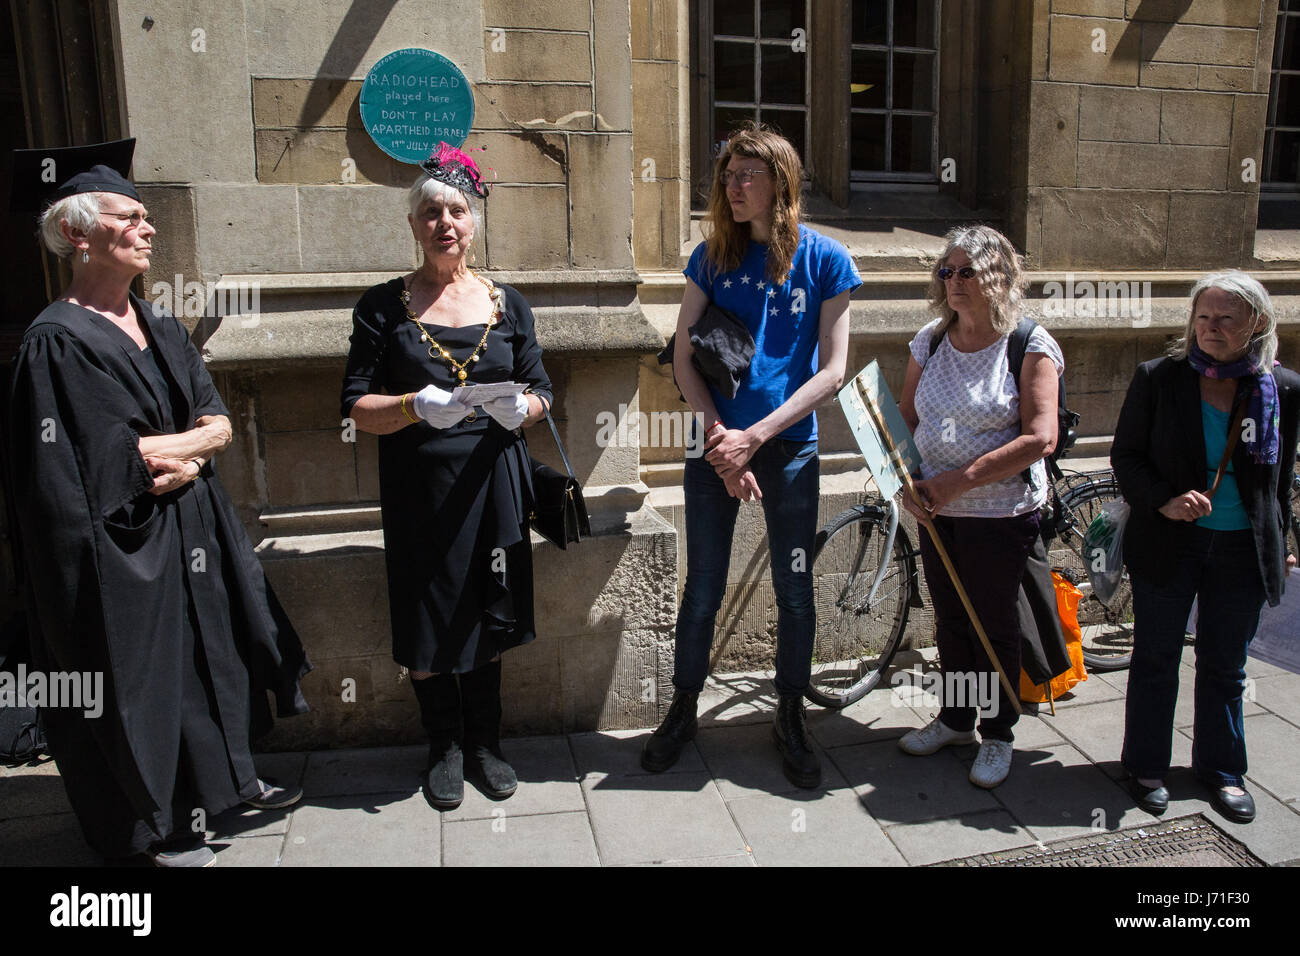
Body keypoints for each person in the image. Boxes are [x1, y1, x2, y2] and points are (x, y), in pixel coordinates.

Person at [6, 140, 310, 867]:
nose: (149, 228)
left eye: (148, 216)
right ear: (79, 234)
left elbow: (220, 423)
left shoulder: (160, 324)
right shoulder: (54, 342)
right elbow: (72, 469)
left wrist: (167, 451)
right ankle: (149, 827)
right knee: (141, 679)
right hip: (117, 550)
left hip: (192, 528)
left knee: (212, 659)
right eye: (130, 217)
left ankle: (224, 787)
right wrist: (165, 456)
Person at [640, 122, 859, 788]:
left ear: (780, 183)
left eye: (746, 176)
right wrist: (718, 439)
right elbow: (682, 355)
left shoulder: (826, 260)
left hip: (787, 450)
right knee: (702, 586)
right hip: (712, 449)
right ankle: (683, 709)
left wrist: (755, 437)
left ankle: (789, 717)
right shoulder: (712, 258)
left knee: (795, 590)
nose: (731, 188)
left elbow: (834, 369)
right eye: (727, 176)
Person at [341, 143, 553, 811]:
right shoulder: (381, 307)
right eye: (430, 212)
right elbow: (354, 405)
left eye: (457, 210)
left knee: (490, 613)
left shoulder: (506, 303)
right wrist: (412, 406)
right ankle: (444, 746)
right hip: (419, 492)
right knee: (428, 616)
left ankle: (486, 744)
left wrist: (526, 408)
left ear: (473, 222)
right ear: (413, 226)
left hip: (493, 486)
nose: (445, 223)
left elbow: (545, 391)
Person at [1112, 271, 1300, 824]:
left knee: (1225, 665)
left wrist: (1279, 539)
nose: (1210, 329)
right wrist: (1165, 501)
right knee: (1155, 658)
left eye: (1225, 319)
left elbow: (1280, 477)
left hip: (1243, 549)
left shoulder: (1281, 388)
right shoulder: (1159, 378)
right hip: (1171, 543)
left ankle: (1222, 770)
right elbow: (1127, 459)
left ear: (1256, 324)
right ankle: (1145, 766)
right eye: (1202, 317)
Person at [895, 225, 1064, 789]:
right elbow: (905, 418)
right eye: (947, 272)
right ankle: (956, 718)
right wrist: (909, 478)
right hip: (937, 513)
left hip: (1001, 515)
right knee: (950, 618)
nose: (954, 282)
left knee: (992, 624)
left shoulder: (1028, 344)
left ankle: (999, 734)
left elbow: (1041, 437)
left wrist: (956, 482)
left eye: (968, 271)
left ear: (1002, 277)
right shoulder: (930, 340)